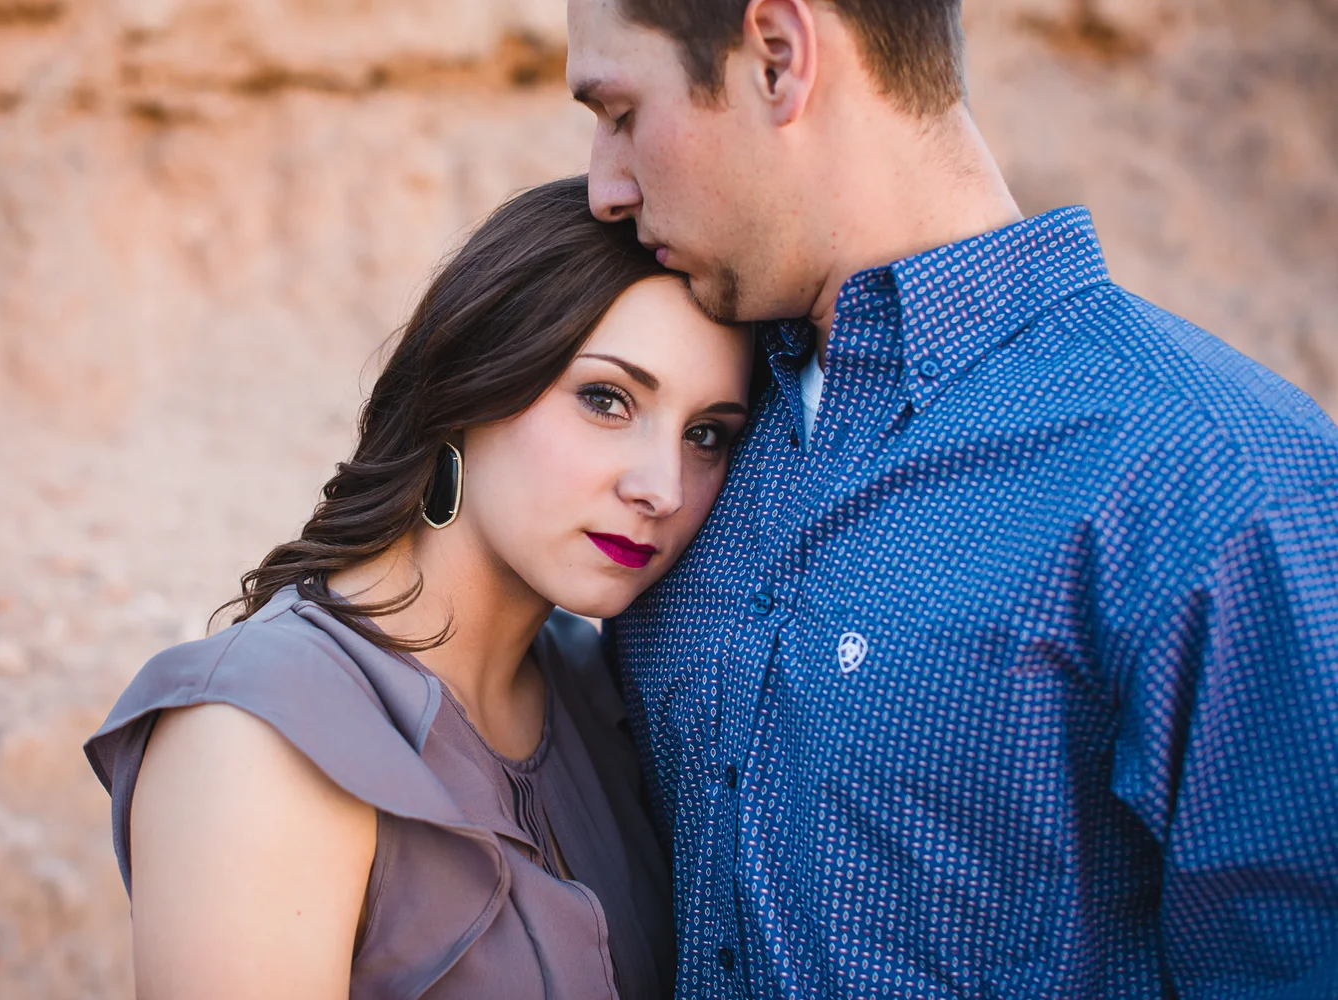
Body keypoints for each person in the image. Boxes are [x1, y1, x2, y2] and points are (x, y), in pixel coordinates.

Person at [566, 1, 1338, 997]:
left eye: (621, 111)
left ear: (776, 57)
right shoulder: (675, 453)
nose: (603, 187)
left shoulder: (1215, 475)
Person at [83, 176, 754, 999]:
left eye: (707, 435)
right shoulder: (259, 737)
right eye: (607, 399)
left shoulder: (603, 689)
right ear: (475, 381)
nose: (664, 486)